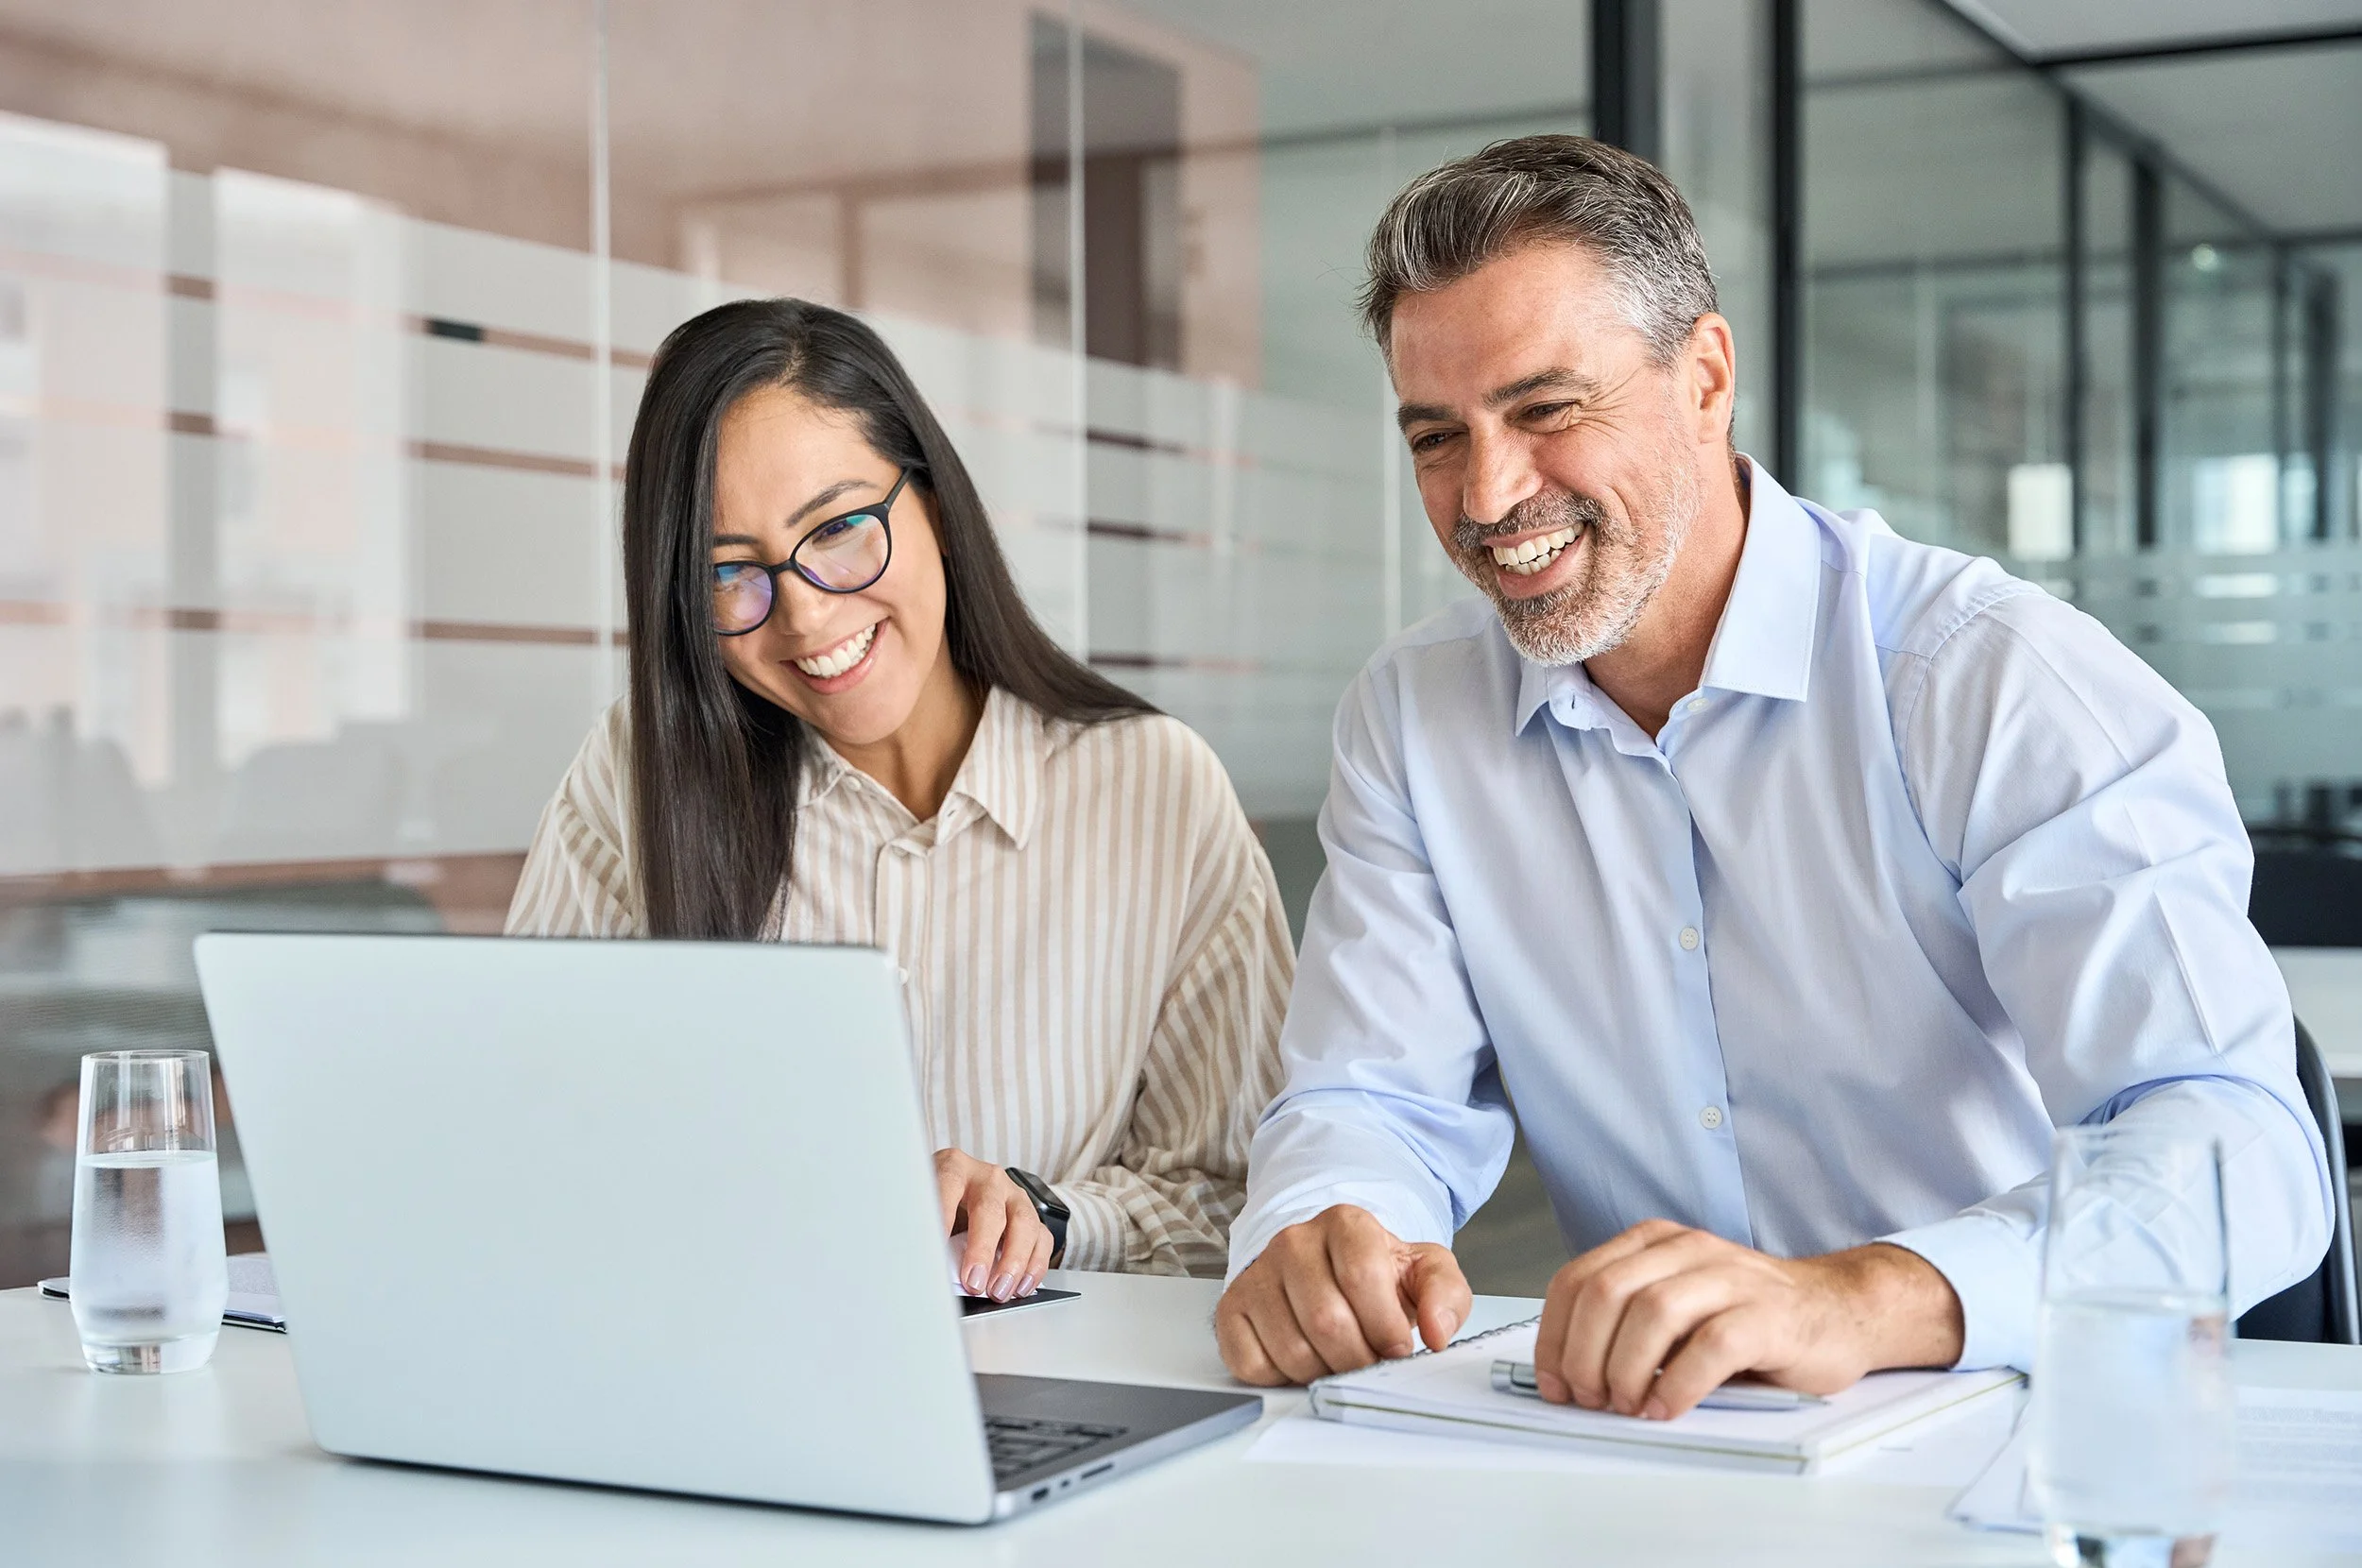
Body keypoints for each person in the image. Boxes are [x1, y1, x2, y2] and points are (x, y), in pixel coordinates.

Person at [1214, 136, 2331, 1415]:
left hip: (2025, 1421)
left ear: (1704, 379)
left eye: (1545, 411)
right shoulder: (1412, 720)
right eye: (1435, 436)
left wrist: (1859, 1297)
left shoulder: (1989, 678)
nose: (1489, 493)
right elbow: (1371, 1098)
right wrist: (1325, 1231)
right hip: (1661, 1443)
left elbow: (2240, 1151)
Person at [508, 299, 1291, 1300]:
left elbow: (1238, 1207)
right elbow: (536, 1152)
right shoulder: (634, 779)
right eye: (727, 573)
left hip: (1049, 1384)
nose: (804, 612)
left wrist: (1042, 1215)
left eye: (836, 528)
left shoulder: (1155, 789)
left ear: (936, 506)